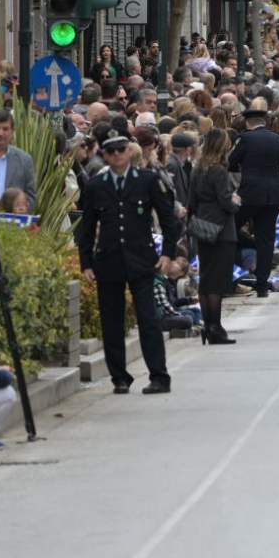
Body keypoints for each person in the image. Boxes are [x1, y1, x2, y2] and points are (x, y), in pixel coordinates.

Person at [75, 135, 183, 395]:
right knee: (111, 322)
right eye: (111, 152)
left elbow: (169, 220)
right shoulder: (96, 185)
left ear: (128, 152)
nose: (116, 156)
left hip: (141, 259)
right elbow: (86, 228)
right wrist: (86, 263)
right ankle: (119, 377)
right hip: (109, 260)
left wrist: (168, 254)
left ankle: (159, 375)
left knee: (148, 319)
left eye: (121, 150)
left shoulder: (146, 180)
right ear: (106, 154)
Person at [228, 104, 279, 298]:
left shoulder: (245, 139)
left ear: (248, 123)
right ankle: (261, 284)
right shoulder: (278, 139)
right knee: (266, 239)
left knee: (229, 227)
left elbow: (231, 162)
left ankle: (239, 266)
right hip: (274, 194)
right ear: (264, 122)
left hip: (250, 194)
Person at [189, 128, 240, 345]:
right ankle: (216, 327)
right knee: (217, 282)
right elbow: (226, 202)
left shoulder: (198, 169)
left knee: (206, 278)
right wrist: (235, 201)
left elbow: (192, 201)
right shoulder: (219, 171)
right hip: (221, 229)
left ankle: (207, 325)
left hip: (202, 226)